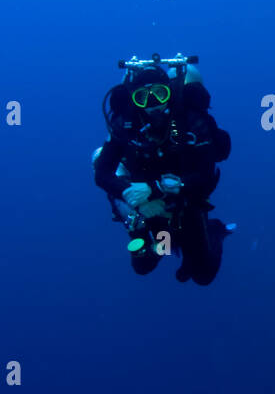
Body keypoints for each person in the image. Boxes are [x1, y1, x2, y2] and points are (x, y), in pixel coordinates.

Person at [93, 54, 232, 285]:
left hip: (184, 204)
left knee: (203, 274)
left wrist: (154, 189)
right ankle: (146, 236)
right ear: (133, 100)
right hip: (146, 208)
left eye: (159, 93)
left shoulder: (190, 120)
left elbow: (205, 174)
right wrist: (134, 197)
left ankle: (212, 231)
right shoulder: (125, 124)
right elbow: (102, 173)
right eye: (142, 97)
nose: (153, 104)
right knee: (144, 264)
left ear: (169, 92)